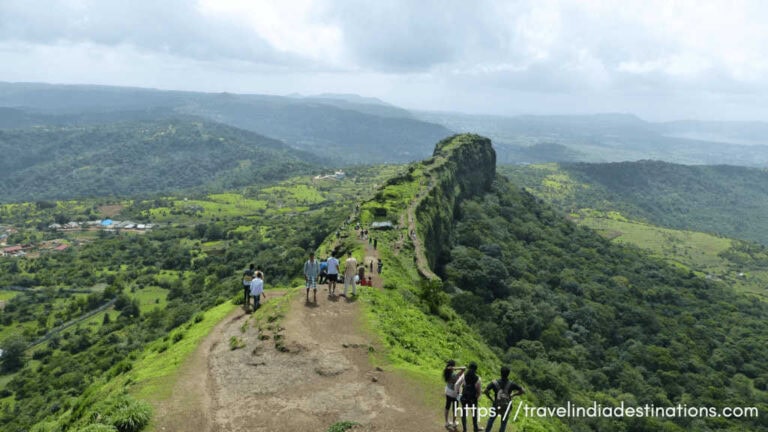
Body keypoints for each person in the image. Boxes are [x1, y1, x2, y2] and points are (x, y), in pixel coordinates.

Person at [484, 366, 524, 432]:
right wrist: (513, 395)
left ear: (501, 373)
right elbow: (522, 391)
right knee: (503, 423)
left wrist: (491, 399)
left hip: (496, 404)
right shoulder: (511, 384)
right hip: (506, 406)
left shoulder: (494, 383)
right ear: (508, 374)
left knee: (491, 419)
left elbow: (485, 391)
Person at [455, 362, 482, 432]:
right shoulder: (478, 379)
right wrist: (477, 398)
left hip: (464, 398)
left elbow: (457, 385)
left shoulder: (464, 376)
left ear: (469, 368)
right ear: (476, 369)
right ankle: (475, 429)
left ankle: (465, 429)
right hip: (473, 400)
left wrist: (458, 394)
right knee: (474, 415)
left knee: (463, 414)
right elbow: (479, 392)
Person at [443, 360, 466, 429]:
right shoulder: (454, 375)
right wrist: (456, 368)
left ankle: (446, 422)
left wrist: (452, 368)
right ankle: (453, 422)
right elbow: (464, 368)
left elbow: (448, 369)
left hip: (447, 390)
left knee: (447, 406)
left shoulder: (446, 372)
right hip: (455, 393)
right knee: (455, 408)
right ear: (453, 366)